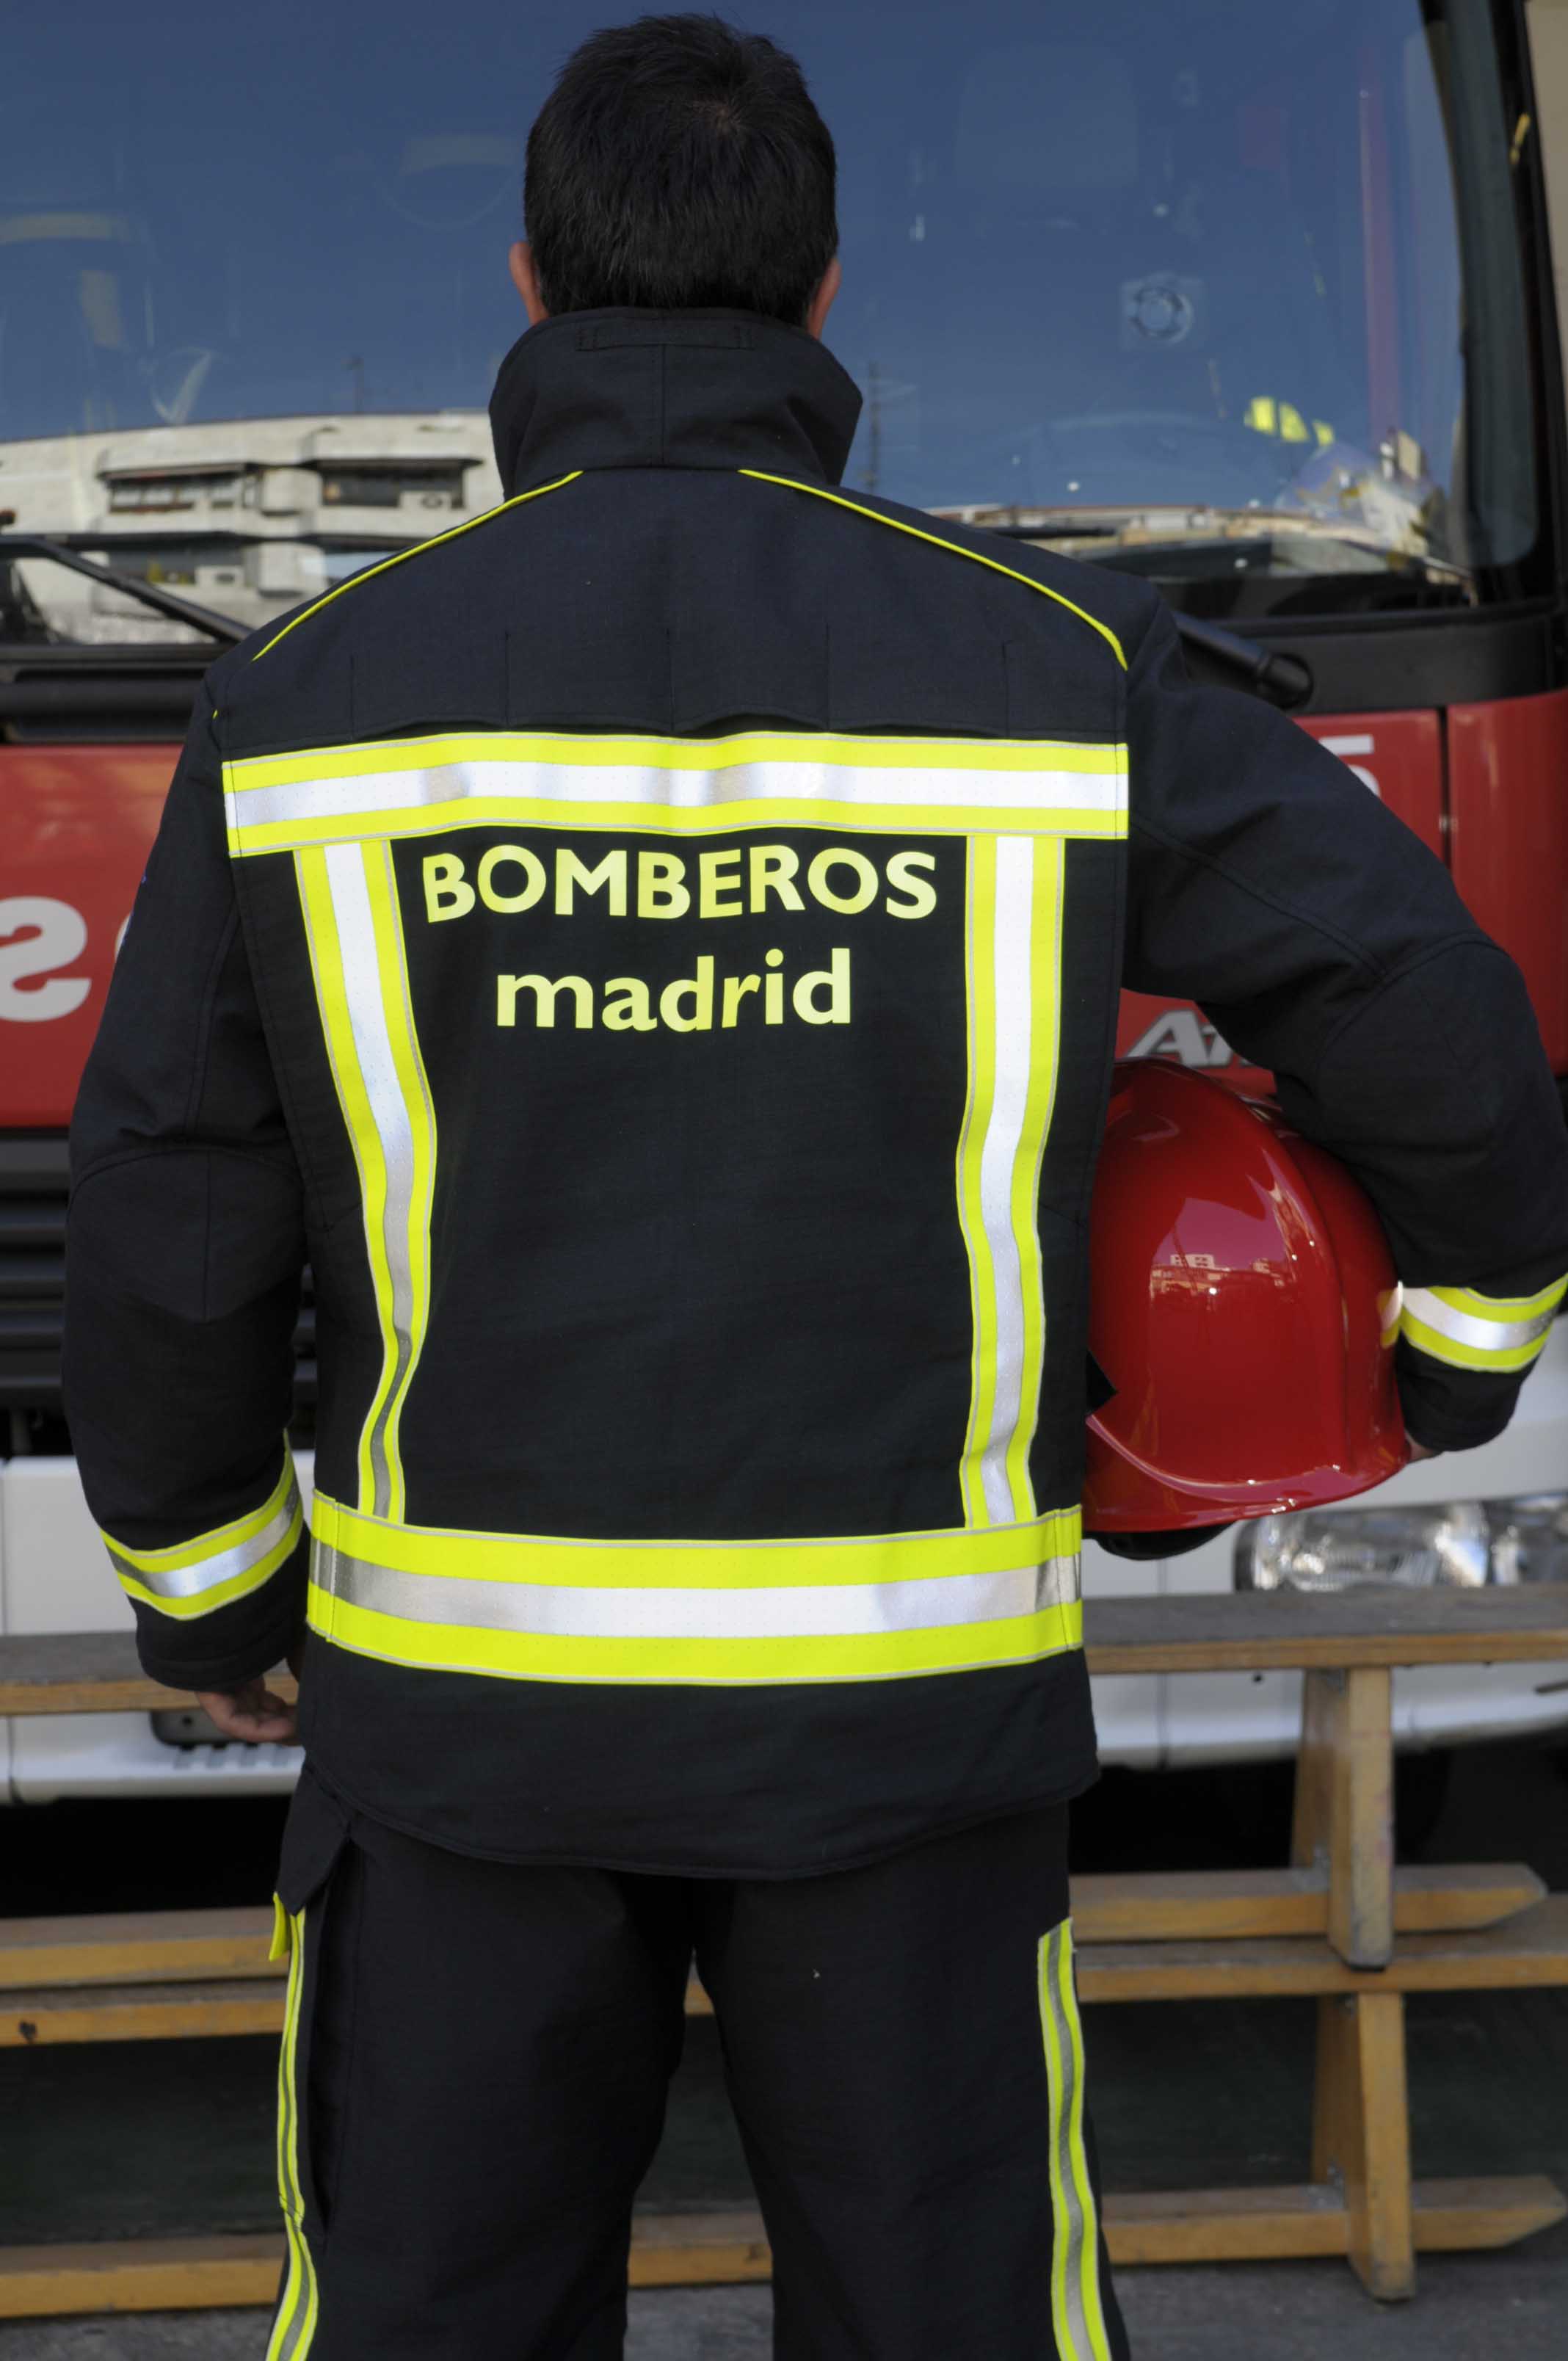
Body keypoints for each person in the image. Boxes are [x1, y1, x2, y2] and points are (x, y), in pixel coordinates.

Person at [63, 16, 1568, 2358]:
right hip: (911, 1752)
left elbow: (166, 1188)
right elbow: (1429, 1005)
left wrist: (203, 1587)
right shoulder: (1057, 672)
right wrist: (1454, 1359)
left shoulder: (310, 704)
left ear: (528, 280)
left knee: (429, 2316)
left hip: (462, 1745)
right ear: (831, 295)